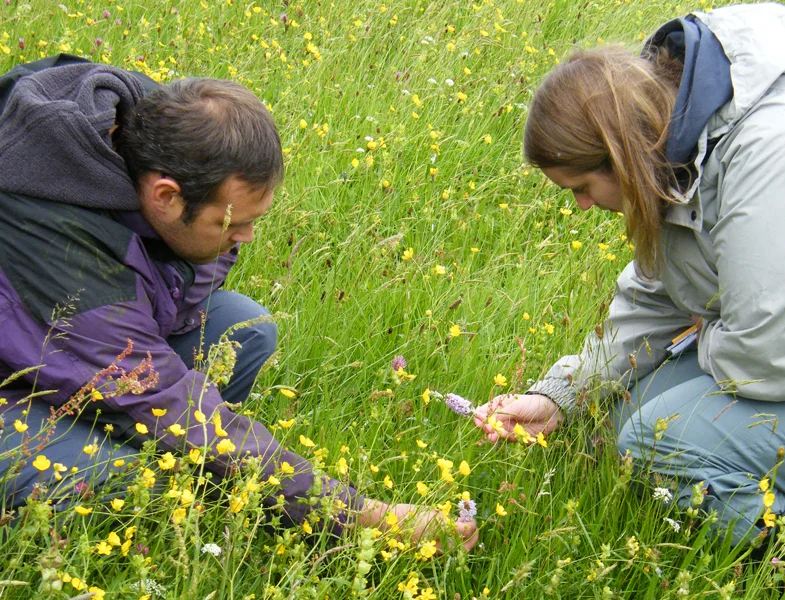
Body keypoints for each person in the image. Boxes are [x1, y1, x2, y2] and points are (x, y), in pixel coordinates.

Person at [473, 3, 785, 597]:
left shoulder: (781, 152)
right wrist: (562, 395)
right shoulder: (686, 150)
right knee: (626, 415)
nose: (582, 207)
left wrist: (705, 332)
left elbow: (775, 357)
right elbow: (654, 301)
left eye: (581, 187)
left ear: (618, 154)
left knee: (657, 439)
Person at [0, 55, 477, 550]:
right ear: (165, 196)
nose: (246, 238)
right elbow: (155, 398)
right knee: (128, 476)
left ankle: (166, 443)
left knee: (243, 327)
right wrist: (363, 516)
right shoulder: (50, 228)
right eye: (232, 225)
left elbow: (183, 290)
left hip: (79, 347)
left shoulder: (160, 135)